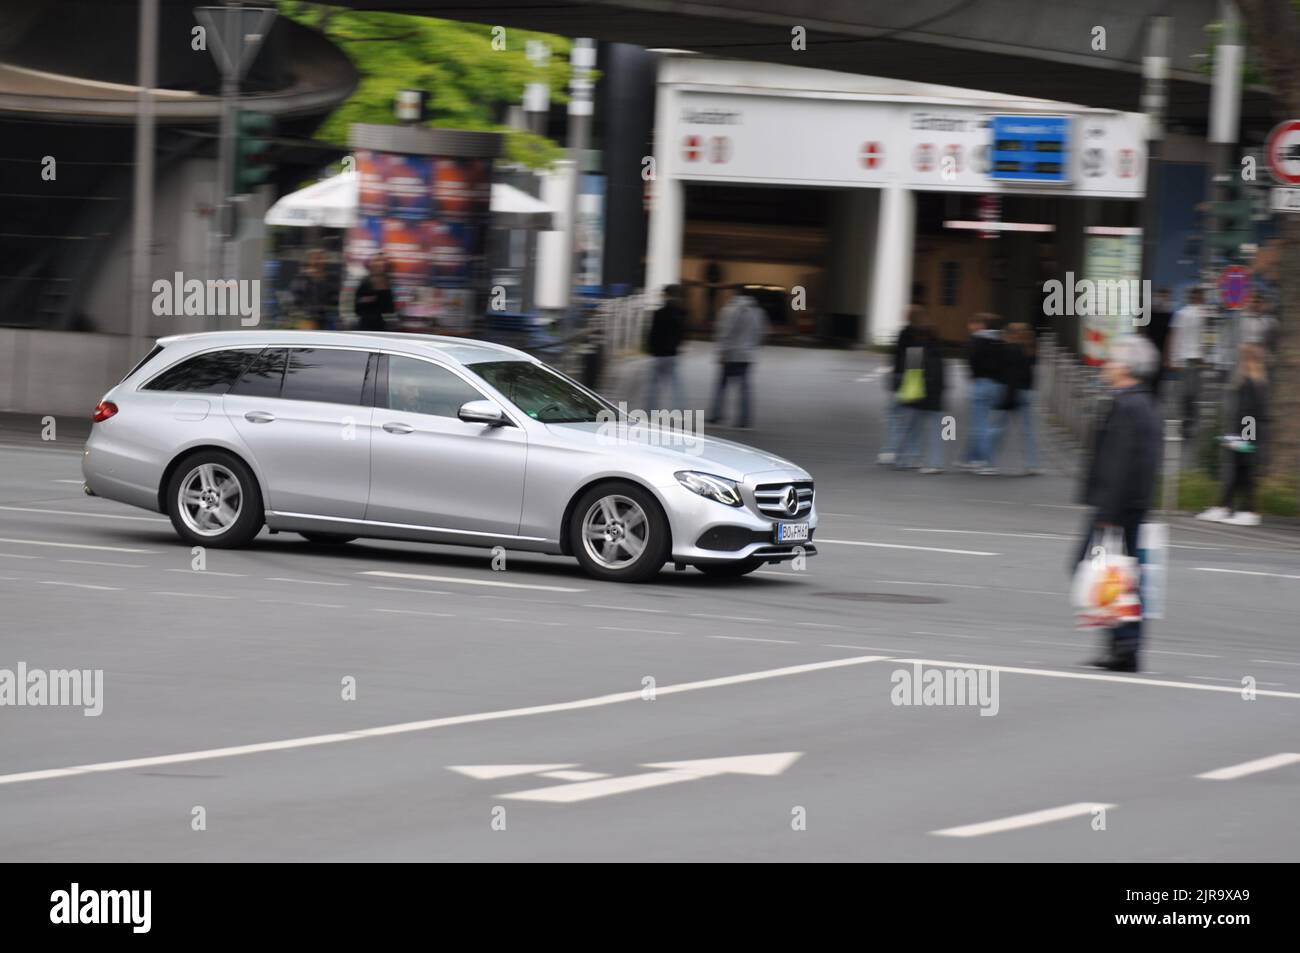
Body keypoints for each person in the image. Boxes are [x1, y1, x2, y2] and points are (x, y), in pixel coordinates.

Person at [1076, 334, 1161, 673]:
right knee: (1119, 574)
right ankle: (1122, 646)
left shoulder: (1127, 405)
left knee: (1110, 574)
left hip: (1117, 506)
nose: (1106, 365)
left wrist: (1106, 513)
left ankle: (1125, 646)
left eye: (1111, 360)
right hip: (1128, 504)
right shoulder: (1140, 403)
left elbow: (1120, 462)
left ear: (1126, 368)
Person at [1196, 343, 1269, 527]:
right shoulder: (1255, 382)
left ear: (1249, 360)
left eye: (1243, 358)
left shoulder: (1251, 383)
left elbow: (1250, 413)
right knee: (1239, 472)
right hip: (1245, 433)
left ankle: (1243, 509)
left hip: (1246, 433)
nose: (1241, 362)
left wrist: (1243, 439)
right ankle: (1229, 506)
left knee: (1242, 472)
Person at [708, 290, 767, 429]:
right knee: (745, 388)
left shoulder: (728, 310)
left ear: (735, 296)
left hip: (731, 354)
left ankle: (716, 415)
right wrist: (753, 348)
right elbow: (761, 333)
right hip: (747, 355)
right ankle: (744, 419)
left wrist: (721, 352)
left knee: (721, 387)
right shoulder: (757, 312)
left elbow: (725, 332)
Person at [896, 312, 946, 473]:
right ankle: (935, 463)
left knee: (910, 429)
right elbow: (942, 379)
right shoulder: (939, 353)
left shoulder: (915, 353)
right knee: (936, 433)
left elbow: (910, 379)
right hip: (935, 399)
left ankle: (903, 459)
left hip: (918, 398)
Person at [989, 322, 1040, 475]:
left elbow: (1006, 373)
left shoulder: (1008, 350)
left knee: (998, 428)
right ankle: (1032, 464)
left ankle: (989, 461)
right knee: (1028, 430)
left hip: (1010, 390)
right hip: (1027, 391)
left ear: (1010, 335)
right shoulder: (1031, 349)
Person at [959, 313, 1006, 474]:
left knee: (980, 426)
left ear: (981, 325)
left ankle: (987, 462)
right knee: (984, 424)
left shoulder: (976, 340)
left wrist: (973, 376)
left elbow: (970, 361)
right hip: (997, 385)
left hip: (980, 384)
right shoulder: (1000, 341)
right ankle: (971, 459)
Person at [878, 306, 924, 465]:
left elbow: (898, 357)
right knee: (912, 418)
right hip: (915, 378)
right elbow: (918, 357)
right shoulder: (923, 334)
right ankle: (912, 452)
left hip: (902, 377)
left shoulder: (905, 332)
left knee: (894, 415)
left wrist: (897, 375)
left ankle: (892, 450)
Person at [1167, 286, 1206, 439]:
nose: (1203, 299)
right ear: (1196, 297)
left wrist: (1173, 358)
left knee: (1187, 393)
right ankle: (1189, 424)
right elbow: (1178, 336)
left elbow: (1175, 336)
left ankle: (1187, 424)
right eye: (1202, 296)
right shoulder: (1190, 314)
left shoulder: (1182, 314)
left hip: (1188, 359)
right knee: (1192, 393)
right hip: (1191, 359)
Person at [644, 284, 687, 412]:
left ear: (666, 295)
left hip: (659, 354)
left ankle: (650, 410)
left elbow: (653, 333)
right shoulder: (681, 313)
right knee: (675, 384)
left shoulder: (659, 313)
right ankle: (680, 409)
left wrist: (651, 348)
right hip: (672, 354)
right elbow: (682, 334)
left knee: (654, 386)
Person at [290, 249, 337, 330]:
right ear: (309, 261)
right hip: (307, 322)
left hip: (326, 322)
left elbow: (334, 300)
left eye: (321, 258)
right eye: (315, 258)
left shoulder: (331, 279)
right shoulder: (301, 279)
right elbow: (296, 301)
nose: (318, 261)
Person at [1143, 287, 1174, 398]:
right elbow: (1141, 332)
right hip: (1147, 352)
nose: (1162, 300)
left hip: (1160, 354)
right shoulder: (1147, 313)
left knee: (1157, 383)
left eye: (1166, 297)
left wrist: (1167, 357)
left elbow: (1169, 337)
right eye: (1160, 296)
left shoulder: (1168, 316)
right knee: (1145, 379)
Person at [354, 254, 395, 332]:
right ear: (371, 264)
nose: (380, 263)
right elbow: (357, 308)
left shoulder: (389, 284)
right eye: (378, 260)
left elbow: (390, 309)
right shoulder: (364, 282)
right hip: (365, 327)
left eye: (383, 261)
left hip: (383, 328)